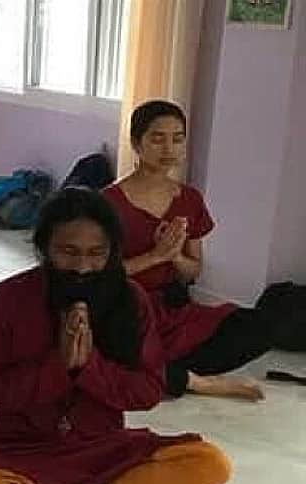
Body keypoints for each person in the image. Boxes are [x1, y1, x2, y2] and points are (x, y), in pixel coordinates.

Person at [0, 188, 231, 484]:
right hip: (23, 448)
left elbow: (148, 390)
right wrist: (58, 366)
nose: (82, 267)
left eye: (96, 254)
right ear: (44, 247)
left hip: (102, 447)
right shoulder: (3, 300)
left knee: (210, 463)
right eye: (68, 252)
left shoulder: (130, 300)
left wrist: (89, 367)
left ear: (112, 252)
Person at [103, 100, 271, 400]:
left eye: (177, 138)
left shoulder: (190, 199)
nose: (168, 148)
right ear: (136, 143)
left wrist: (175, 256)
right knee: (108, 350)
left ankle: (165, 371)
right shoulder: (107, 202)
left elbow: (194, 269)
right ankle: (188, 379)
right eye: (157, 138)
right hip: (125, 309)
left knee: (260, 327)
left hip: (172, 309)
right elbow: (97, 274)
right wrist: (155, 256)